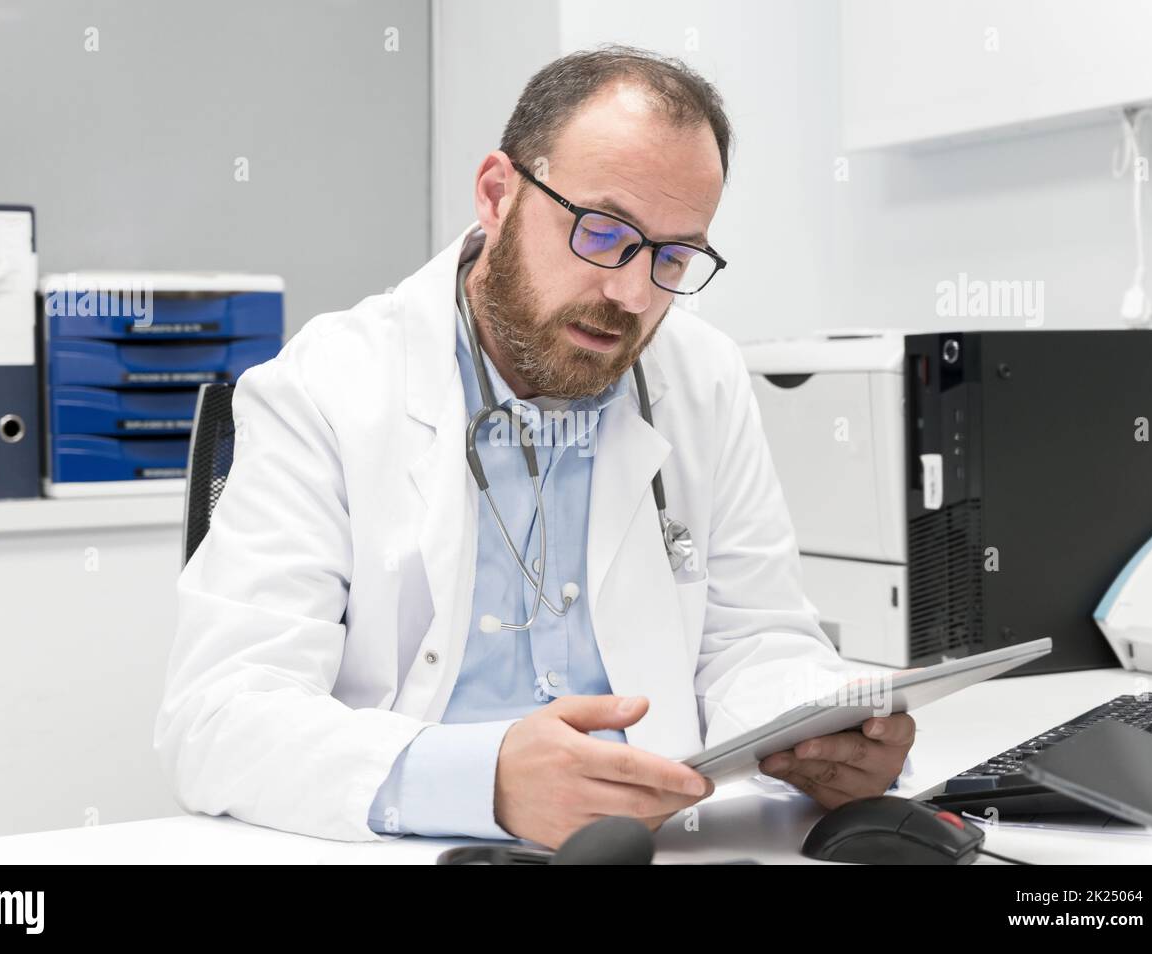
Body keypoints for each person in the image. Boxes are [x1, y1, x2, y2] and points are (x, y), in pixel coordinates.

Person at [155, 45, 914, 850]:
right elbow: (219, 717)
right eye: (602, 232)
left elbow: (754, 638)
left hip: (657, 843)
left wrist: (821, 727)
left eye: (674, 256)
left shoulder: (703, 377)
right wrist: (484, 780)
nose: (632, 292)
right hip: (429, 847)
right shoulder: (325, 387)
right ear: (497, 194)